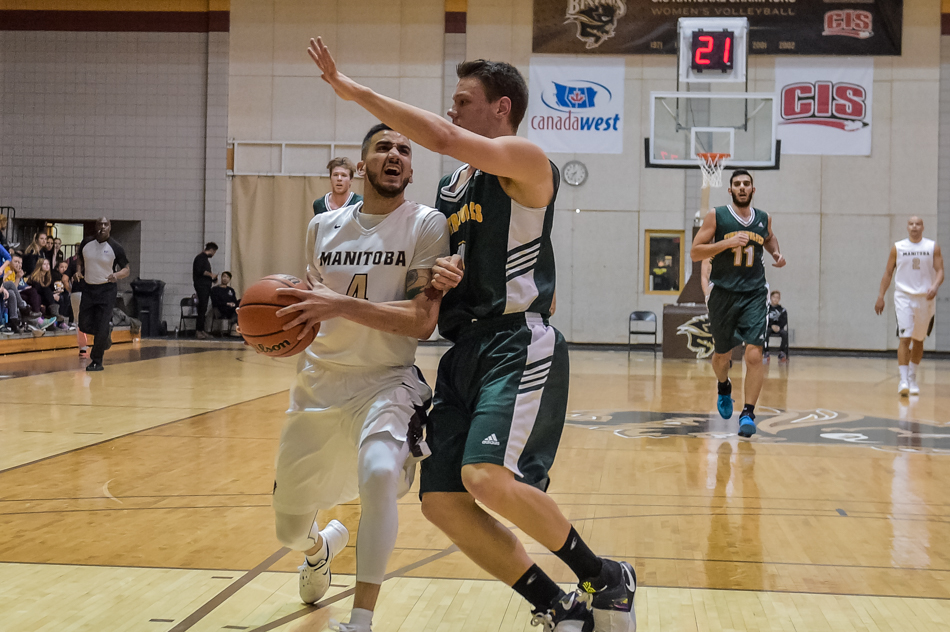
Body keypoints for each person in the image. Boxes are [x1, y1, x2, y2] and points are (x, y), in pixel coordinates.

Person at [309, 39, 636, 632]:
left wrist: (354, 91)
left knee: (485, 478)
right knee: (442, 500)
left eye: (463, 100)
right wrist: (439, 279)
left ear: (501, 108)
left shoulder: (529, 162)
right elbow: (450, 268)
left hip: (516, 340)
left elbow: (445, 138)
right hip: (463, 351)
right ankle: (555, 605)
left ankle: (604, 576)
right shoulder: (453, 191)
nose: (453, 110)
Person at [264, 123, 449, 632]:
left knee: (379, 474)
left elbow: (421, 320)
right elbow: (310, 308)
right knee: (288, 530)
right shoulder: (322, 227)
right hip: (319, 381)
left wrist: (339, 303)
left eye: (405, 150)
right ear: (362, 163)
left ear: (412, 168)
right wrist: (279, 325)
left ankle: (361, 621)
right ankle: (319, 549)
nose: (396, 155)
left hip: (387, 380)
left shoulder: (427, 224)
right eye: (383, 147)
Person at [690, 170, 786, 438]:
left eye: (746, 184)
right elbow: (695, 252)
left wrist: (776, 253)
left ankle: (748, 413)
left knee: (754, 354)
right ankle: (723, 386)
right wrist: (727, 242)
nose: (742, 187)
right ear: (730, 190)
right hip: (723, 294)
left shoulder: (763, 218)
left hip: (755, 293)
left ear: (753, 190)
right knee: (722, 357)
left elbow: (769, 237)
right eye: (737, 184)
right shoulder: (717, 216)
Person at [875, 216, 944, 396]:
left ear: (922, 227)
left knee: (919, 340)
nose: (914, 226)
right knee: (905, 337)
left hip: (925, 298)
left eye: (918, 223)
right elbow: (888, 273)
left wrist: (935, 286)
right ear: (907, 227)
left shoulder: (932, 247)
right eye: (911, 223)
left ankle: (912, 377)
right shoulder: (898, 248)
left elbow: (940, 271)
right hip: (903, 296)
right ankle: (903, 380)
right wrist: (881, 295)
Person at [77, 217, 130, 371]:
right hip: (88, 288)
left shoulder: (116, 247)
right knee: (83, 324)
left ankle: (96, 361)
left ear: (110, 227)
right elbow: (80, 258)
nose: (102, 227)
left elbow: (127, 269)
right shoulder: (86, 243)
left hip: (106, 290)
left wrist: (117, 275)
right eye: (100, 224)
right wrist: (78, 271)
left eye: (106, 224)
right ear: (96, 227)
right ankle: (105, 333)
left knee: (101, 326)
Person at [192, 242, 218, 339]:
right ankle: (198, 331)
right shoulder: (200, 258)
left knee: (203, 308)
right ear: (211, 250)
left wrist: (213, 278)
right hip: (201, 286)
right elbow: (199, 271)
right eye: (214, 252)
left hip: (206, 286)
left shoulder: (205, 259)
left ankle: (202, 330)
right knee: (202, 308)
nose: (213, 254)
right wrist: (211, 275)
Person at [66, 252, 89, 355]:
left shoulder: (73, 263)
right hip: (90, 293)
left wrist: (71, 290)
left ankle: (83, 347)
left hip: (76, 293)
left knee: (78, 320)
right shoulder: (92, 263)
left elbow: (64, 279)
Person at [210, 271, 240, 335]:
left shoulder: (231, 290)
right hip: (220, 309)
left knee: (240, 304)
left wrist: (233, 304)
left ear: (229, 280)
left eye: (227, 277)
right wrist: (227, 303)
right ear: (221, 277)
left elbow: (234, 300)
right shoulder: (215, 289)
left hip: (231, 309)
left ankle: (239, 330)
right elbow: (215, 302)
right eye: (224, 276)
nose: (225, 278)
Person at [764, 290, 789, 362]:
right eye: (774, 297)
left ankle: (782, 352)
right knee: (765, 332)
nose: (775, 299)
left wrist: (779, 327)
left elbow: (784, 321)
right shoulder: (766, 309)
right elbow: (764, 319)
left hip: (779, 328)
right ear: (771, 298)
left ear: (779, 299)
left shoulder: (783, 310)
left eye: (777, 297)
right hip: (769, 327)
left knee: (785, 334)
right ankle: (766, 352)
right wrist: (771, 326)